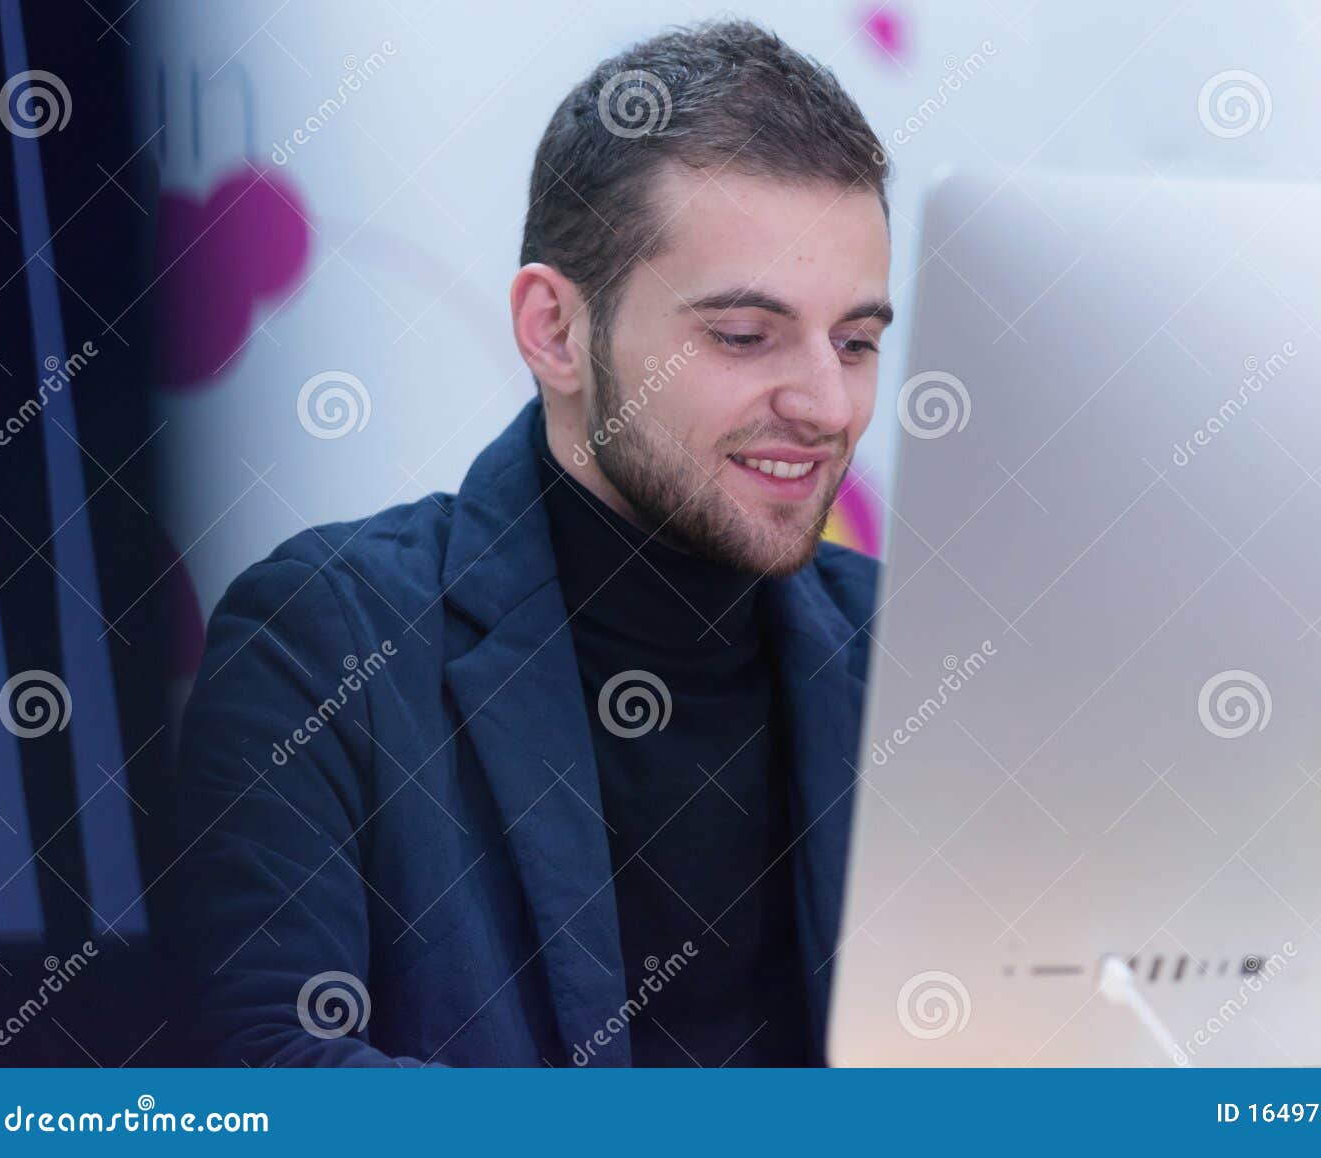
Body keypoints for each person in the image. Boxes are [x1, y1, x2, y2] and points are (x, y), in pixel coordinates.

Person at [164, 18, 892, 1066]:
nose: (826, 403)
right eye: (742, 336)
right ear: (554, 331)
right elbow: (262, 1080)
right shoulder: (323, 643)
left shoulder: (900, 650)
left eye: (857, 342)